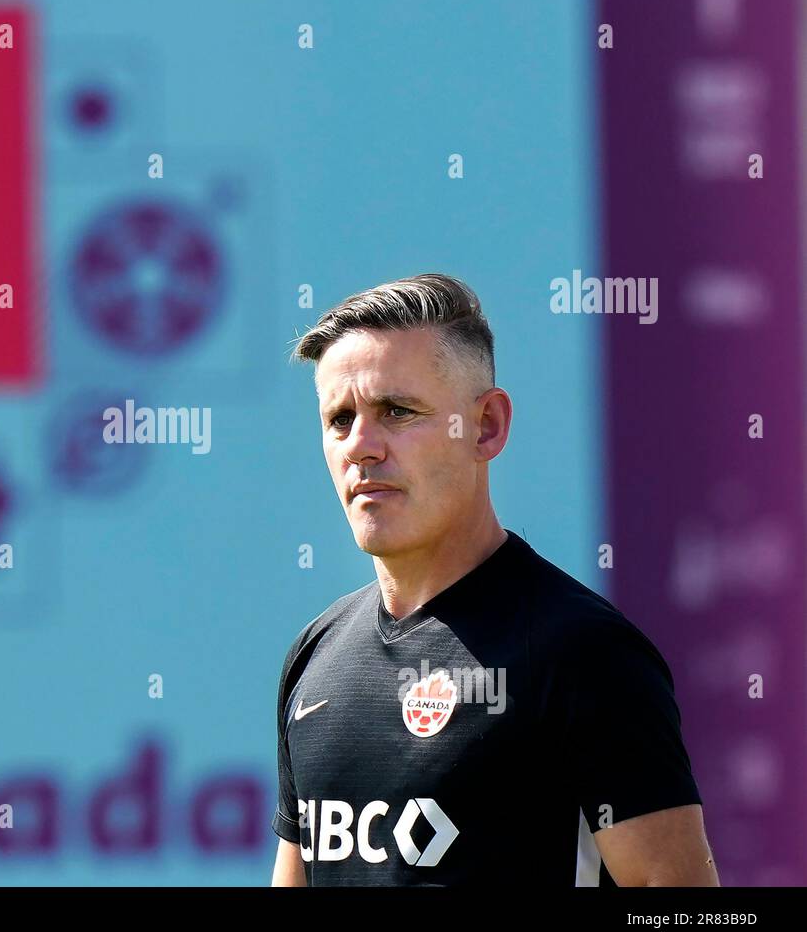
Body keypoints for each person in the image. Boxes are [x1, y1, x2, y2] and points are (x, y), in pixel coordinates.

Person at [272, 274, 718, 887]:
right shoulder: (315, 657)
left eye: (397, 412)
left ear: (486, 426)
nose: (362, 447)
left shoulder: (582, 653)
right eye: (340, 419)